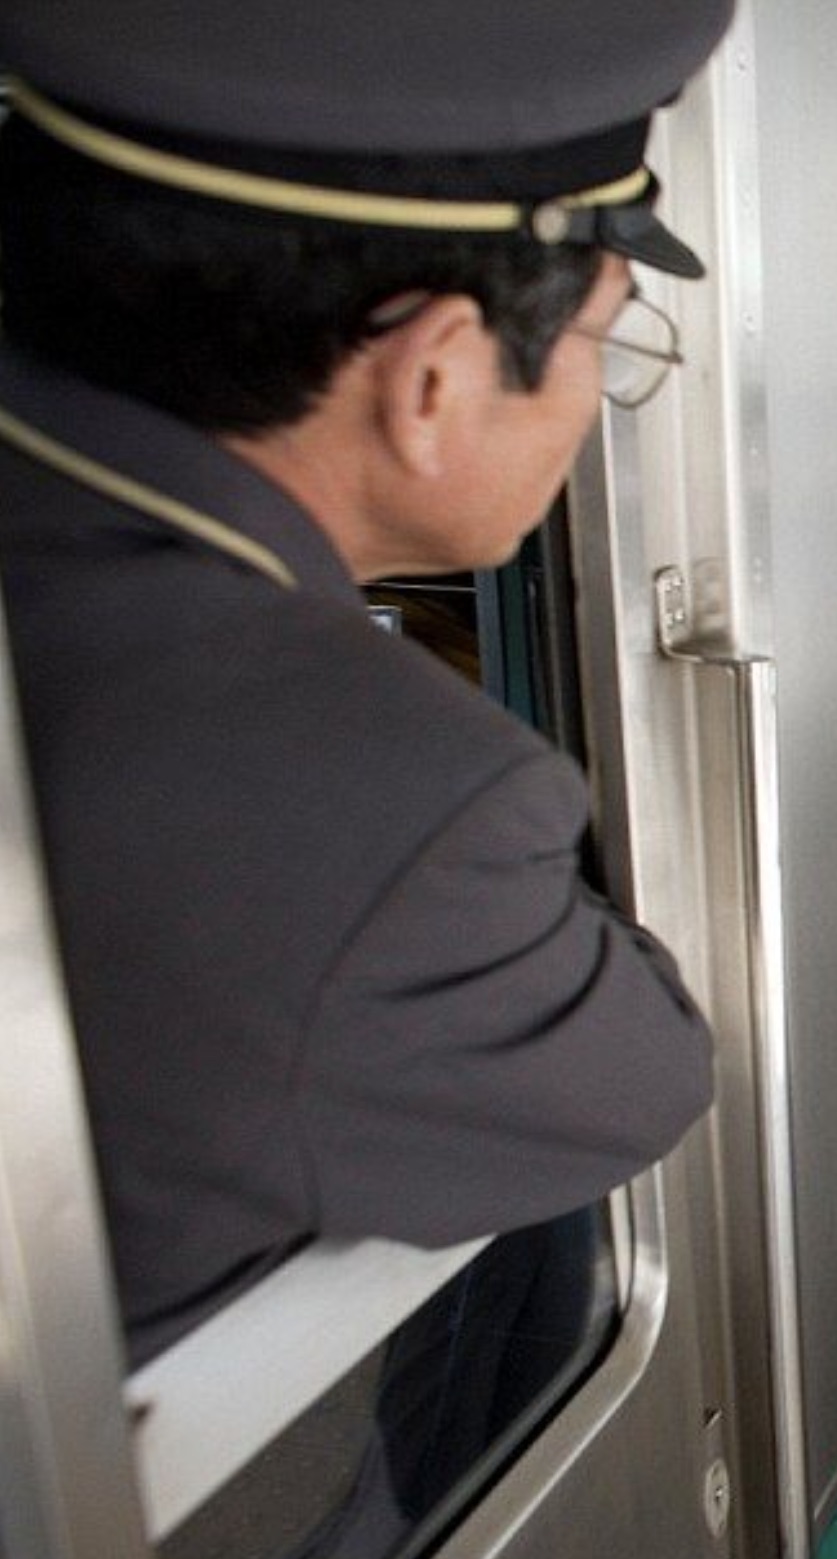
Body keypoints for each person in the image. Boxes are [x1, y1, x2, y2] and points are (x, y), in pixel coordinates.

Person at [0, 0, 727, 1366]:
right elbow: (643, 1079)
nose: (594, 400)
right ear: (435, 378)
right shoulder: (393, 809)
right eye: (609, 342)